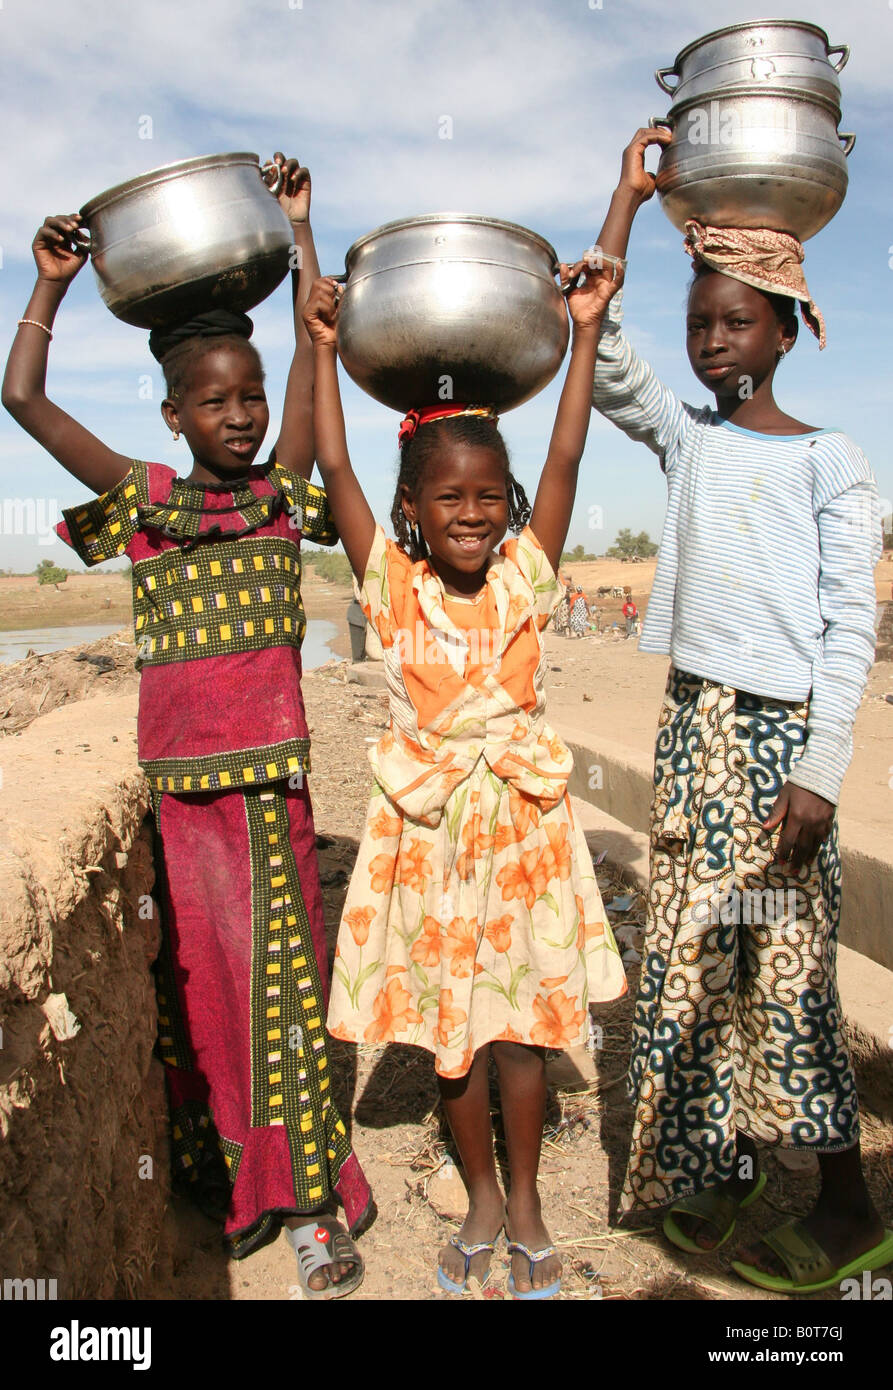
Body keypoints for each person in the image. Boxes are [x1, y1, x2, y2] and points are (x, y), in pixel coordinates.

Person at [2, 156, 372, 1299]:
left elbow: (318, 361)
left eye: (249, 398)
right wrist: (51, 287)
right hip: (179, 792)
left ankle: (308, 1200)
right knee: (202, 994)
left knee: (282, 990)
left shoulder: (279, 497)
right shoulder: (150, 503)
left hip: (267, 795)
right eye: (214, 402)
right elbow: (22, 401)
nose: (240, 416)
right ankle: (233, 1182)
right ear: (172, 412)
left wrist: (305, 236)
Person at [589, 126, 892, 1294]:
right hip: (693, 736)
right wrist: (624, 203)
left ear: (782, 327)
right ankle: (719, 1167)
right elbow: (603, 349)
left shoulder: (828, 460)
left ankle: (848, 1211)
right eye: (698, 324)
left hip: (774, 761)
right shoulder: (688, 442)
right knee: (692, 958)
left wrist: (817, 771)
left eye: (734, 322)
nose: (711, 340)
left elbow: (844, 631)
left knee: (780, 964)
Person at [301, 256, 627, 1298]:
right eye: (450, 497)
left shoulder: (528, 574)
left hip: (524, 834)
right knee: (455, 1039)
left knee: (523, 1029)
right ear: (414, 505)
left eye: (491, 495)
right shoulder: (389, 588)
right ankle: (479, 1195)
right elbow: (337, 472)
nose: (474, 513)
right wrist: (318, 346)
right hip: (432, 841)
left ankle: (524, 1201)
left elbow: (568, 449)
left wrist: (579, 331)